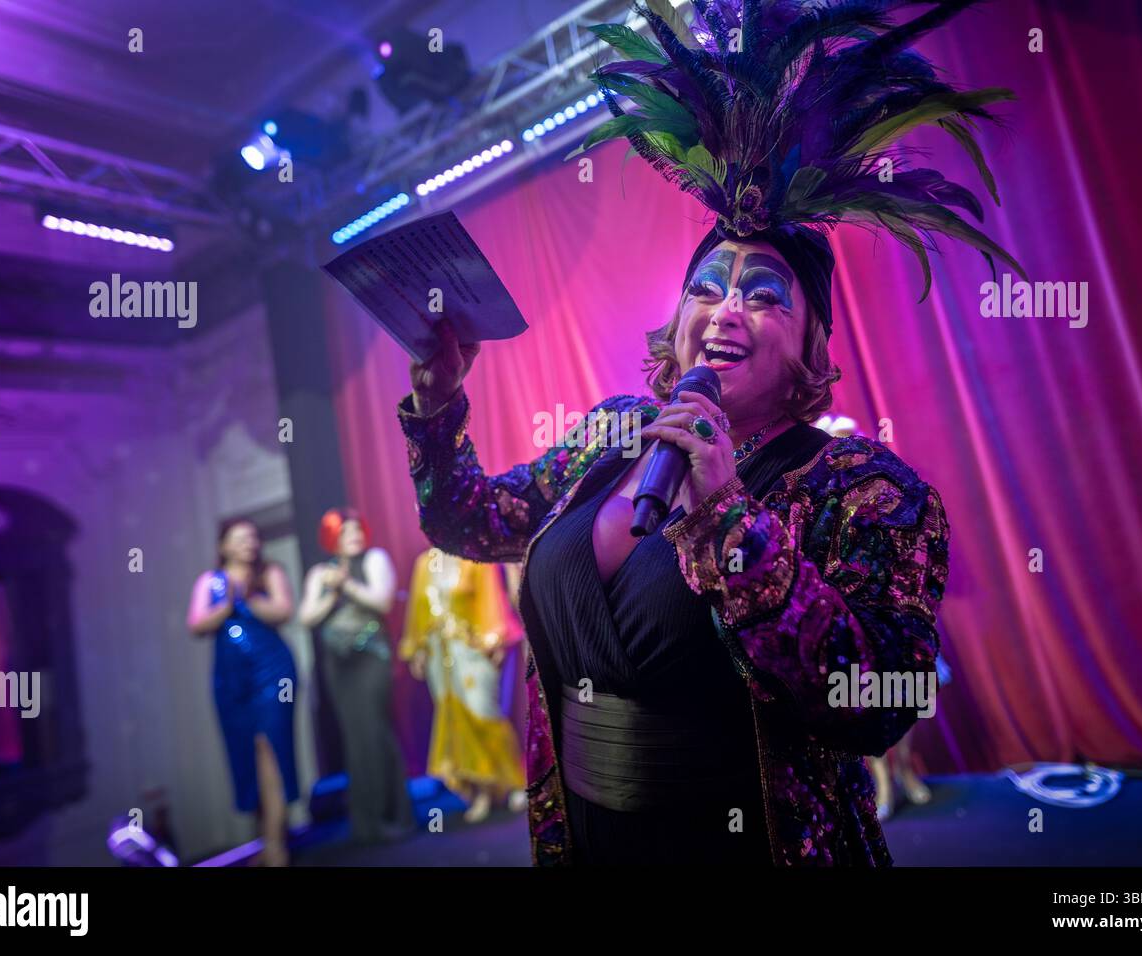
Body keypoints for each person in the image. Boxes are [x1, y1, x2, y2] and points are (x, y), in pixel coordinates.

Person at [397, 0, 1017, 865]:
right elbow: (469, 524)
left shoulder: (866, 488)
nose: (727, 309)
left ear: (810, 340)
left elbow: (883, 699)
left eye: (764, 294)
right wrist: (435, 411)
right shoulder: (616, 436)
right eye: (707, 288)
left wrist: (728, 514)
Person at [187, 518, 299, 866]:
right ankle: (264, 841)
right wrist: (226, 605)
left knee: (271, 749)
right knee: (246, 755)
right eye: (240, 538)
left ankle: (277, 844)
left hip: (272, 673)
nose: (249, 543)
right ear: (224, 546)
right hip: (230, 680)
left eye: (252, 537)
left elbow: (284, 611)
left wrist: (250, 597)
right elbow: (196, 624)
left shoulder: (269, 573)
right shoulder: (210, 581)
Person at [297, 508, 413, 842]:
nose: (356, 537)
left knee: (375, 732)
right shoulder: (321, 573)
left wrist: (347, 583)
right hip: (339, 665)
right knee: (355, 737)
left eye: (358, 531)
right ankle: (367, 824)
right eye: (347, 533)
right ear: (332, 538)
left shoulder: (374, 559)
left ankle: (394, 816)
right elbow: (307, 617)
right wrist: (332, 591)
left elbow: (382, 601)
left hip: (371, 658)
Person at [399, 549, 526, 823]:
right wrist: (417, 649)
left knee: (483, 713)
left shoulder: (473, 557)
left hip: (472, 650)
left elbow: (491, 601)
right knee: (454, 719)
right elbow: (418, 611)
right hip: (438, 654)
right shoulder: (423, 564)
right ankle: (480, 791)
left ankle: (513, 782)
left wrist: (495, 640)